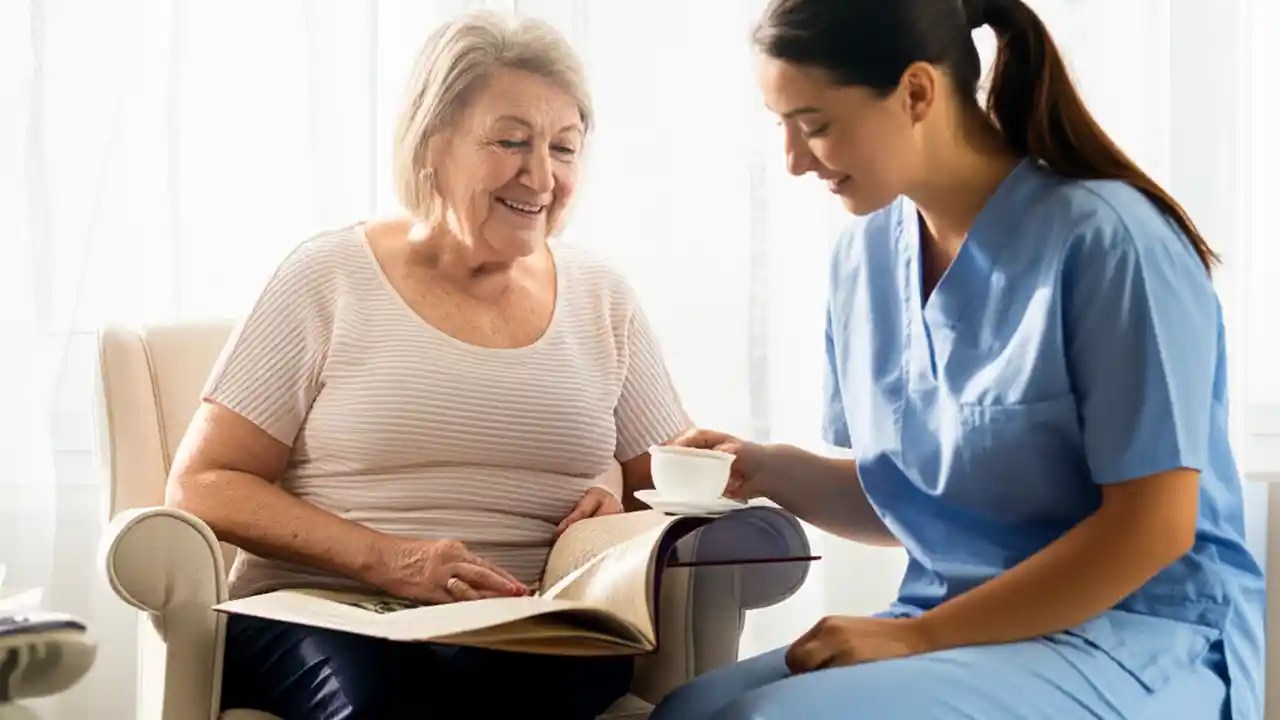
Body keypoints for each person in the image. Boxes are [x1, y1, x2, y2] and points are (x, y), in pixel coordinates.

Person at [652, 0, 1265, 718]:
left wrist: (920, 638)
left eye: (814, 126)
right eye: (781, 127)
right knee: (690, 709)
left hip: (1136, 639)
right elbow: (922, 497)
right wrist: (765, 468)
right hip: (957, 631)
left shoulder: (1111, 242)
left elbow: (1154, 527)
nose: (792, 161)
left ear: (916, 92)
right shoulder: (865, 257)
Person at [164, 11, 692, 719]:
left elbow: (676, 483)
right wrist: (389, 560)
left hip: (526, 628)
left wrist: (627, 512)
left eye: (564, 148)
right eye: (511, 141)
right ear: (432, 144)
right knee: (387, 701)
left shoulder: (602, 298)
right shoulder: (329, 277)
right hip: (328, 615)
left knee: (544, 685)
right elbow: (202, 485)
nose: (541, 176)